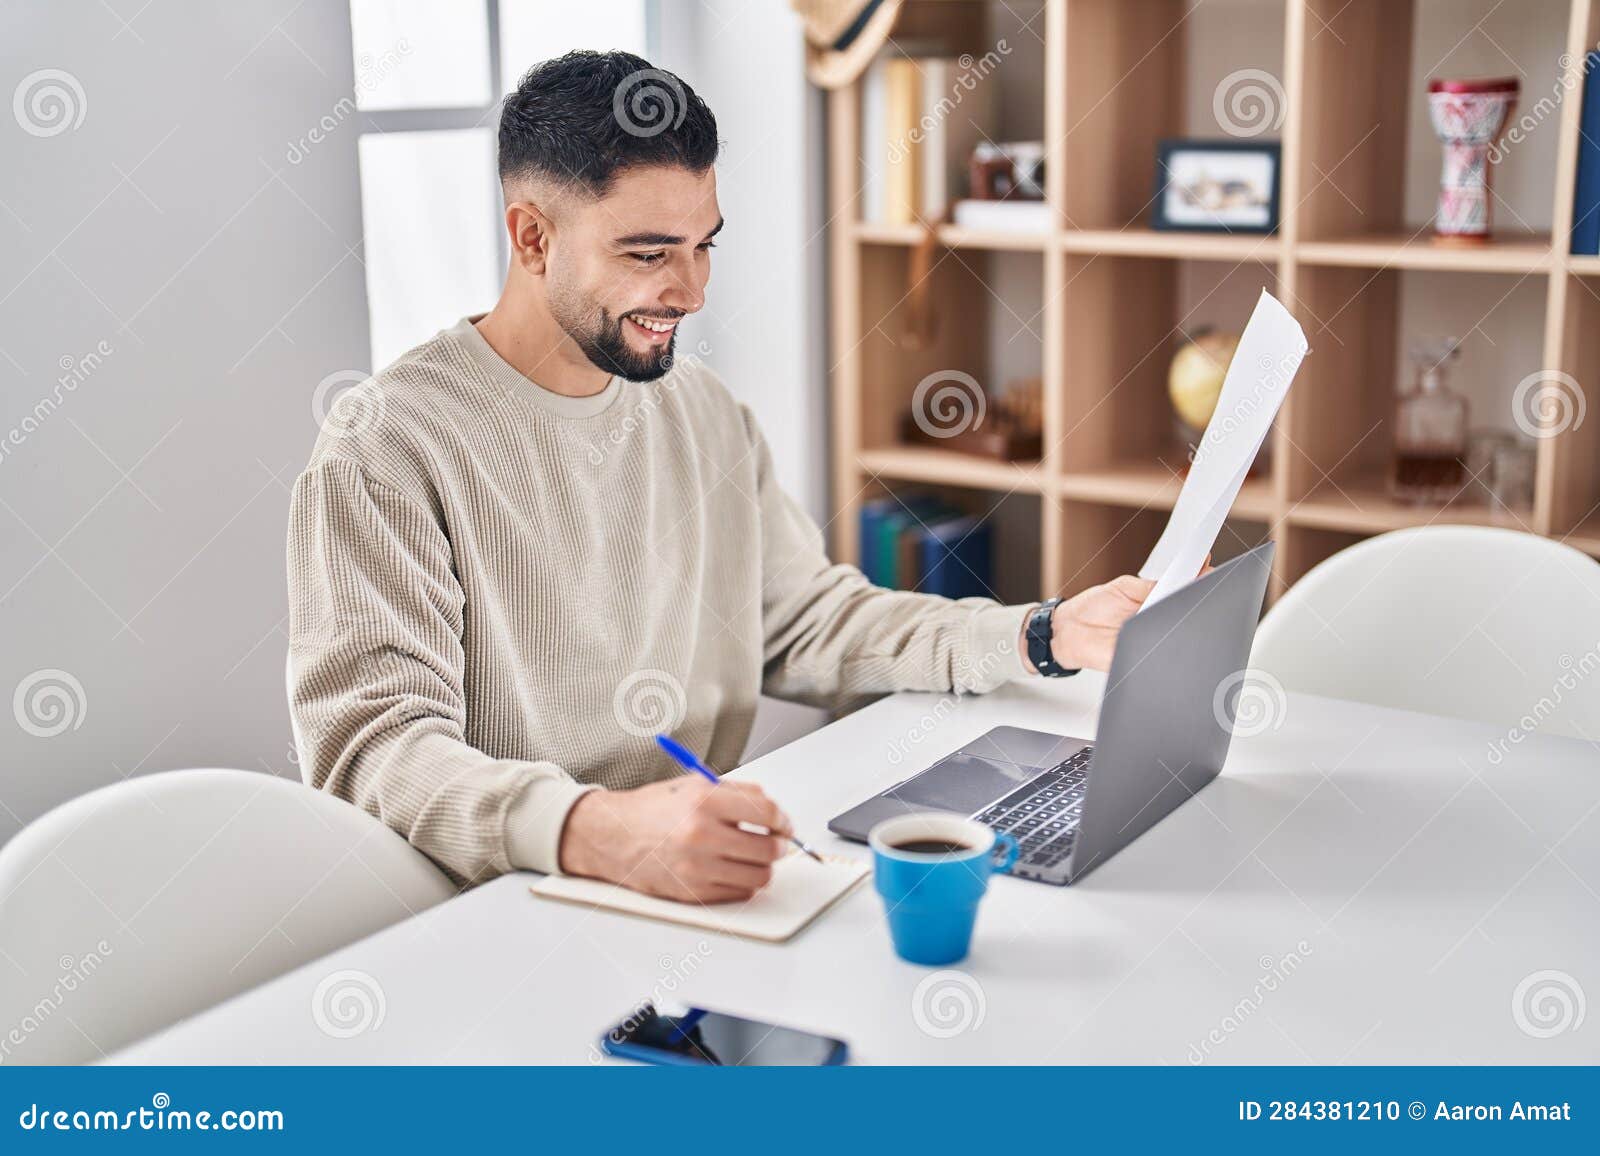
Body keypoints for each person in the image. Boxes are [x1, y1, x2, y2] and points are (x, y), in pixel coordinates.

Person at [286, 50, 1155, 903]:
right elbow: (372, 747)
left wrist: (1039, 635)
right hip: (510, 912)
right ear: (532, 237)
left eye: (704, 246)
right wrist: (598, 832)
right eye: (648, 253)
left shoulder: (703, 414)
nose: (692, 292)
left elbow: (811, 622)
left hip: (698, 888)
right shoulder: (387, 447)